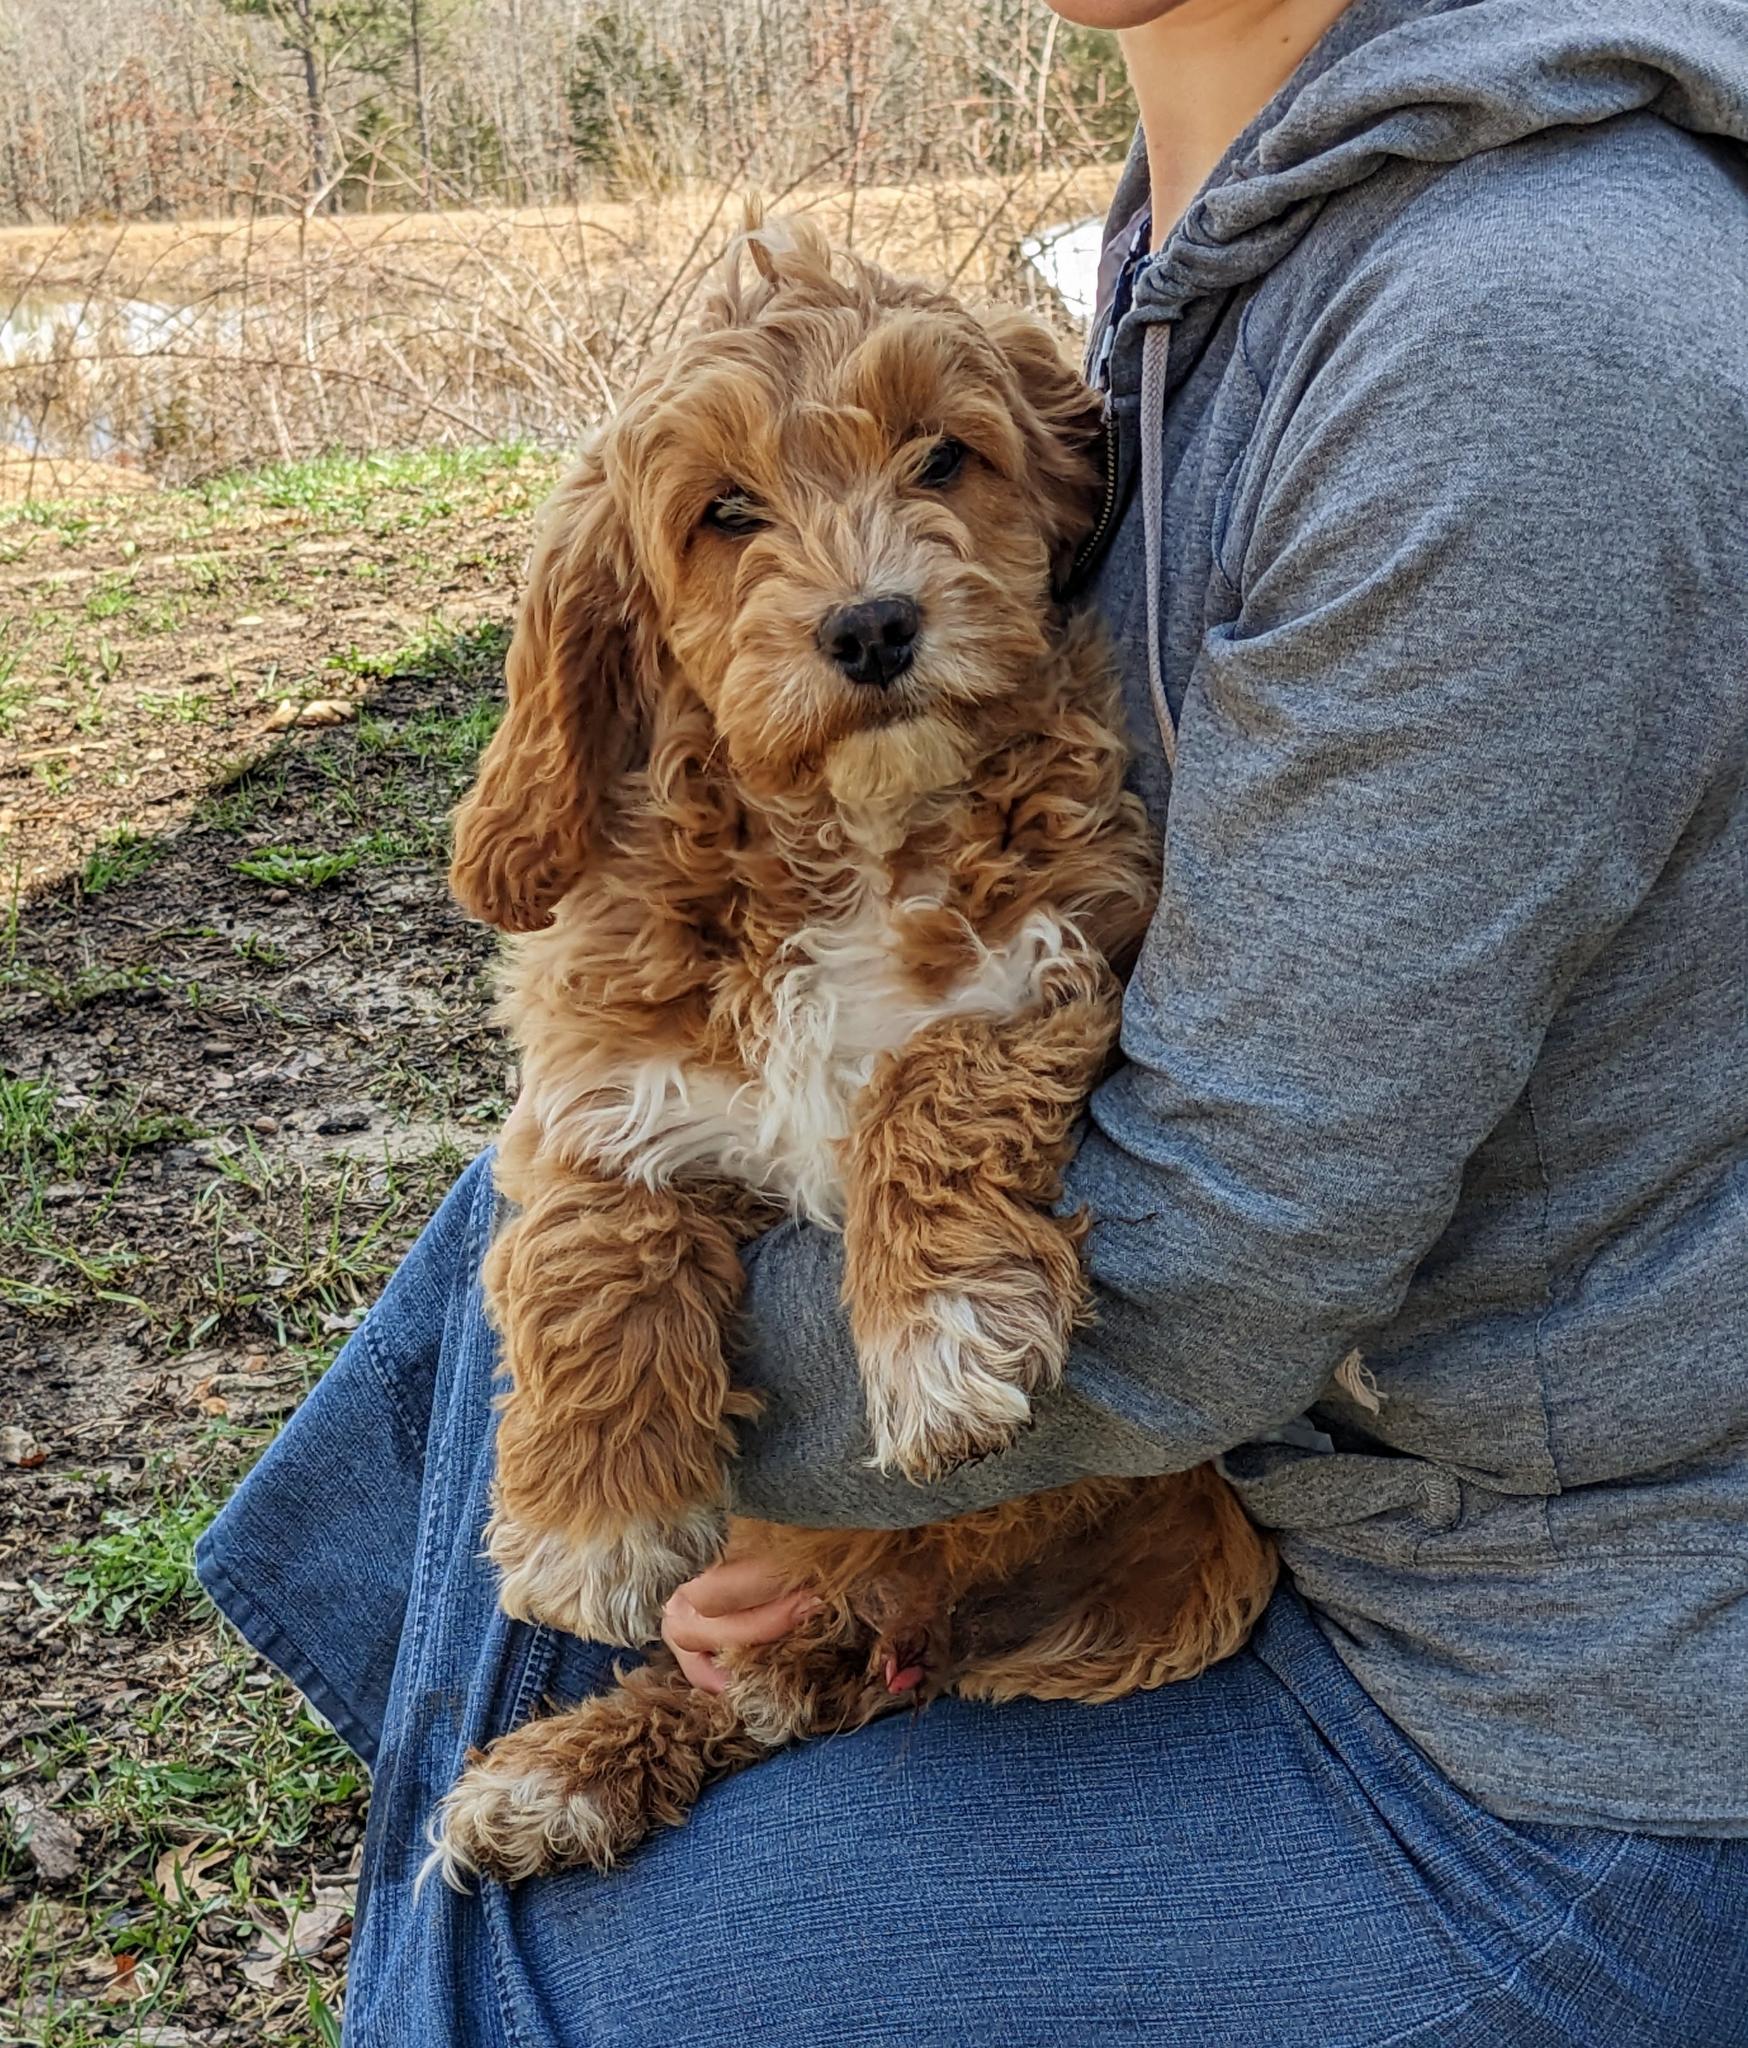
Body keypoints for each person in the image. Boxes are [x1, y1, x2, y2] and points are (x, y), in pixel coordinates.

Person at [196, 1, 1748, 2041]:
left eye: (944, 469)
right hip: (1316, 1479)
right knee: (488, 1292)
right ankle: (649, 1742)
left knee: (505, 1986)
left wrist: (783, 1489)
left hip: (1544, 1707)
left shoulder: (1517, 339)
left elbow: (1221, 1258)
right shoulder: (1204, 249)